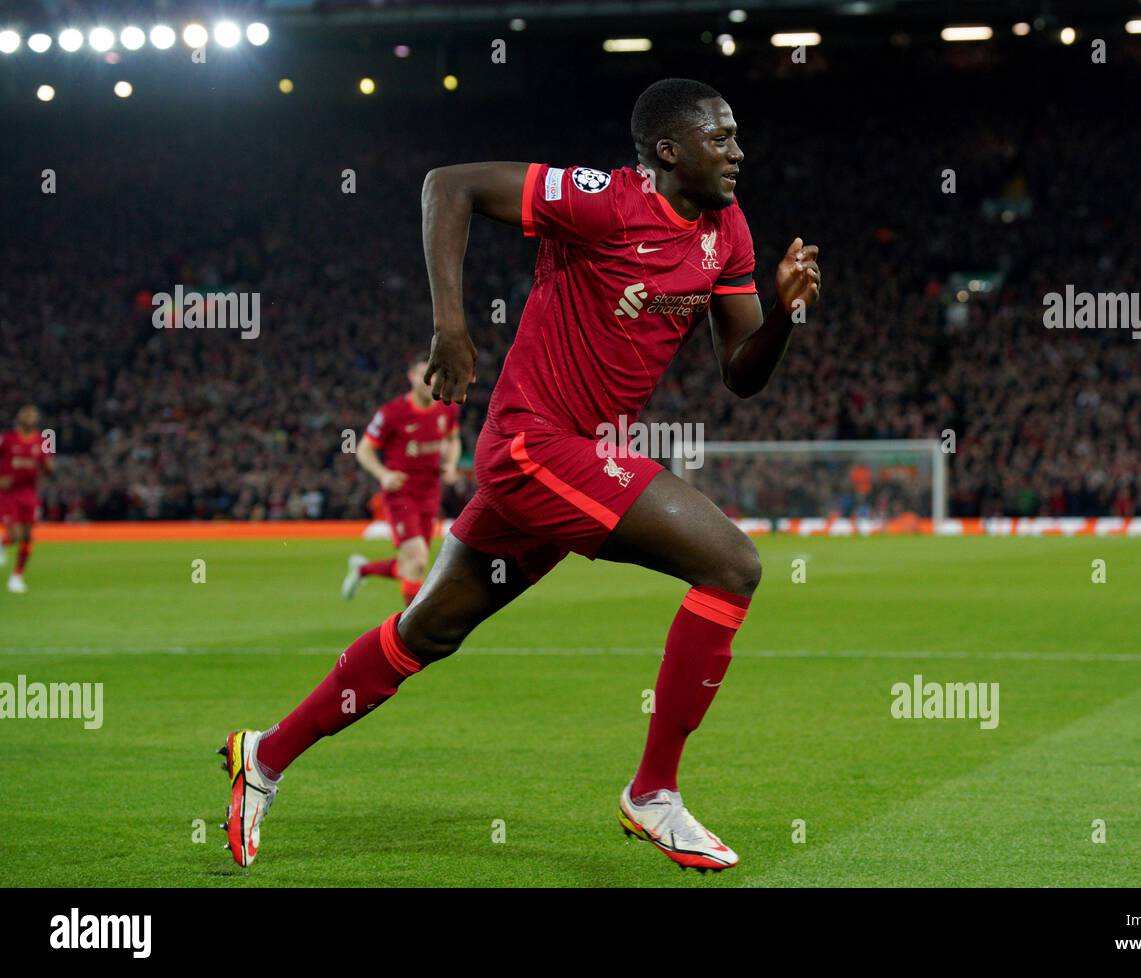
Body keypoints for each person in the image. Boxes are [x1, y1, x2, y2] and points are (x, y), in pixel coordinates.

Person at [220, 78, 822, 872]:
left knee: (426, 631)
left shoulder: (728, 230)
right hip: (535, 446)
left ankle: (262, 756)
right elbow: (451, 185)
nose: (739, 152)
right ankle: (653, 794)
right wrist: (450, 328)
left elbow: (741, 374)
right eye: (721, 139)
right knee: (733, 565)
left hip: (573, 460)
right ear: (669, 152)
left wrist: (782, 313)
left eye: (737, 136)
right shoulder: (604, 201)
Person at [341, 357, 461, 607]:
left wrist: (450, 463)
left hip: (430, 493)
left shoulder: (447, 408)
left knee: (412, 563)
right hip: (401, 494)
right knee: (417, 560)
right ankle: (410, 630)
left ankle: (363, 570)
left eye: (436, 374)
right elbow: (363, 449)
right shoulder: (392, 413)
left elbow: (453, 439)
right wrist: (383, 474)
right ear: (411, 377)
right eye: (424, 374)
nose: (431, 380)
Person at [0, 405, 53, 594]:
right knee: (15, 533)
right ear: (19, 417)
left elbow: (49, 469)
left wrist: (46, 460)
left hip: (29, 492)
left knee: (27, 536)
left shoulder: (45, 438)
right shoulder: (6, 439)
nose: (30, 417)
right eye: (26, 414)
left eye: (33, 415)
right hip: (8, 493)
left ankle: (17, 576)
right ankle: (4, 543)